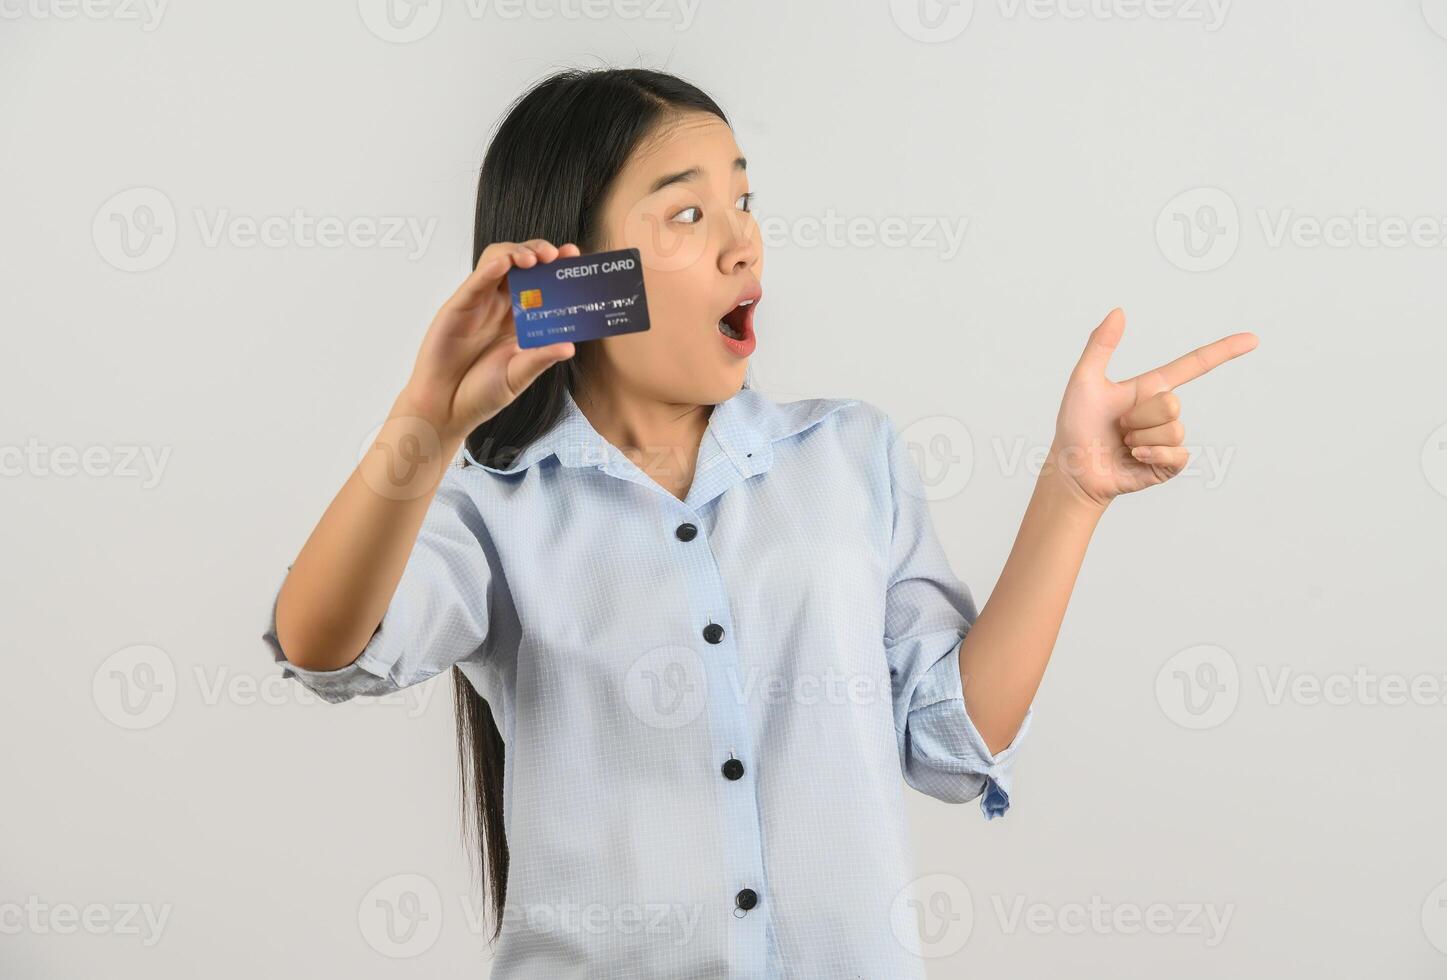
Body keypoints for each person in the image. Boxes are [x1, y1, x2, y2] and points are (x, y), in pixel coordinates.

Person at [260, 66, 1257, 977]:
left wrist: (1074, 492)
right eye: (688, 212)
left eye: (744, 199)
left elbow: (952, 741)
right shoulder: (494, 503)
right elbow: (323, 645)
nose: (745, 240)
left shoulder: (848, 457)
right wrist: (426, 425)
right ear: (572, 280)